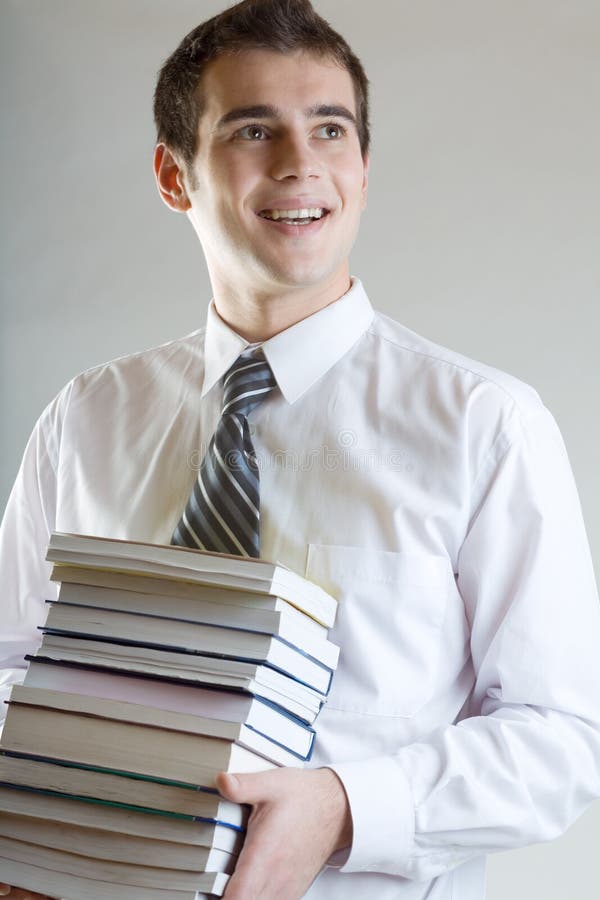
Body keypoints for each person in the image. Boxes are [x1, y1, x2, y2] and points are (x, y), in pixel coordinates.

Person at [1, 1, 600, 898]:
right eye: (253, 130)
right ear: (174, 176)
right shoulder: (84, 420)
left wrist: (345, 806)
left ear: (362, 170)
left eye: (330, 129)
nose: (299, 163)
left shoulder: (486, 425)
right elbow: (12, 667)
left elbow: (563, 739)